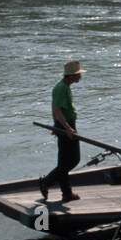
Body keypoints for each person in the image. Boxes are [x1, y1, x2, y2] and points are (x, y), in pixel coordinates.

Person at [39, 60, 84, 202]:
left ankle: (66, 193)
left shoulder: (65, 87)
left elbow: (55, 107)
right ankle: (46, 182)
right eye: (78, 75)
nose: (80, 77)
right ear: (71, 76)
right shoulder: (61, 88)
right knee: (73, 160)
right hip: (66, 125)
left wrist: (57, 125)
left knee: (64, 162)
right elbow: (57, 109)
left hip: (64, 124)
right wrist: (66, 128)